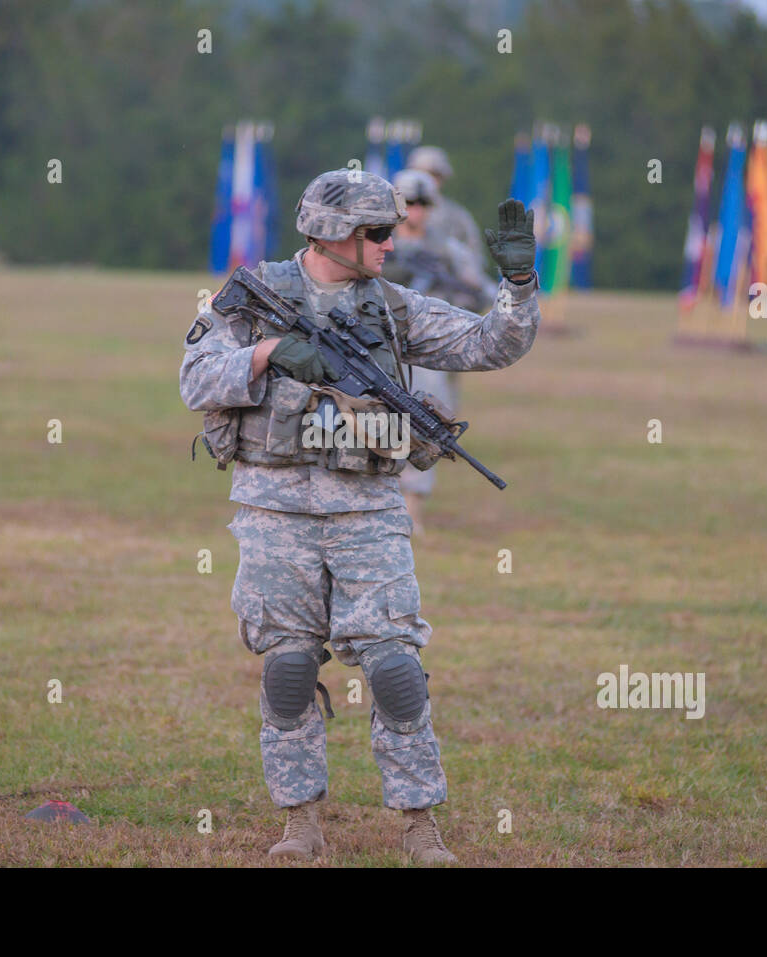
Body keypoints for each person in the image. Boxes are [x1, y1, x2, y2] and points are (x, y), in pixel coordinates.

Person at [180, 169, 539, 864]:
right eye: (377, 232)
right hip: (273, 507)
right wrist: (267, 352)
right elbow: (194, 378)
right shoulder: (255, 294)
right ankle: (300, 823)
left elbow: (490, 344)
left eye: (391, 230)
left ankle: (420, 827)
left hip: (369, 509)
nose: (390, 244)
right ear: (333, 234)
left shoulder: (394, 308)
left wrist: (519, 286)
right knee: (288, 669)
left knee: (397, 670)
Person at [382, 168, 489, 533]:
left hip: (425, 351)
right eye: (408, 202)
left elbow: (479, 292)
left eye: (422, 203)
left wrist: (455, 302)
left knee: (424, 423)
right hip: (378, 348)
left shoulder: (448, 250)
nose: (415, 211)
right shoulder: (377, 243)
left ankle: (413, 508)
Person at [406, 145, 487, 274]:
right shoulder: (393, 210)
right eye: (419, 173)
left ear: (442, 178)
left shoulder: (457, 217)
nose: (425, 180)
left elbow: (475, 260)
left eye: (433, 175)